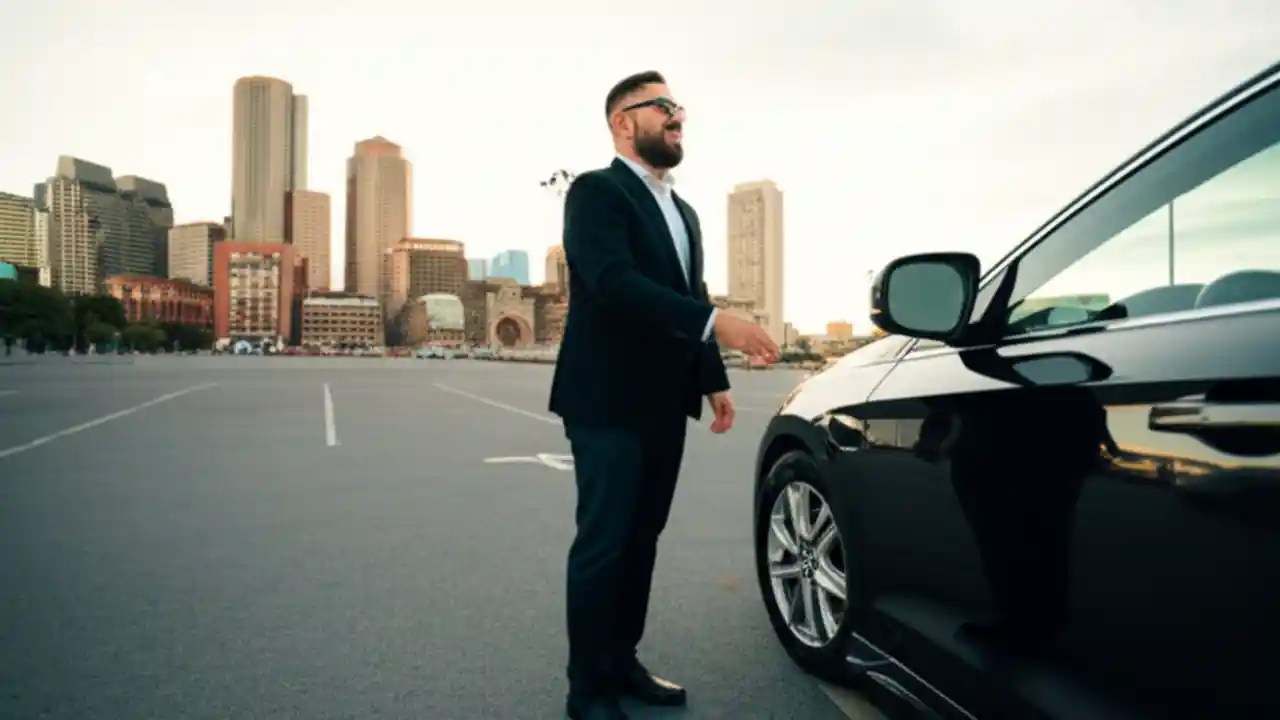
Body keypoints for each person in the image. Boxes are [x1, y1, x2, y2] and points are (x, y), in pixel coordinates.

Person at [548, 70, 781, 720]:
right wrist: (717, 324)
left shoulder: (683, 212)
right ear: (624, 122)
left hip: (662, 403)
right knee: (604, 543)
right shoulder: (596, 193)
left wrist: (712, 379)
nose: (679, 116)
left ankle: (621, 662)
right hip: (604, 399)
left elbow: (689, 293)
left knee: (643, 538)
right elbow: (613, 282)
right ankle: (586, 689)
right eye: (664, 107)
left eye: (680, 107)